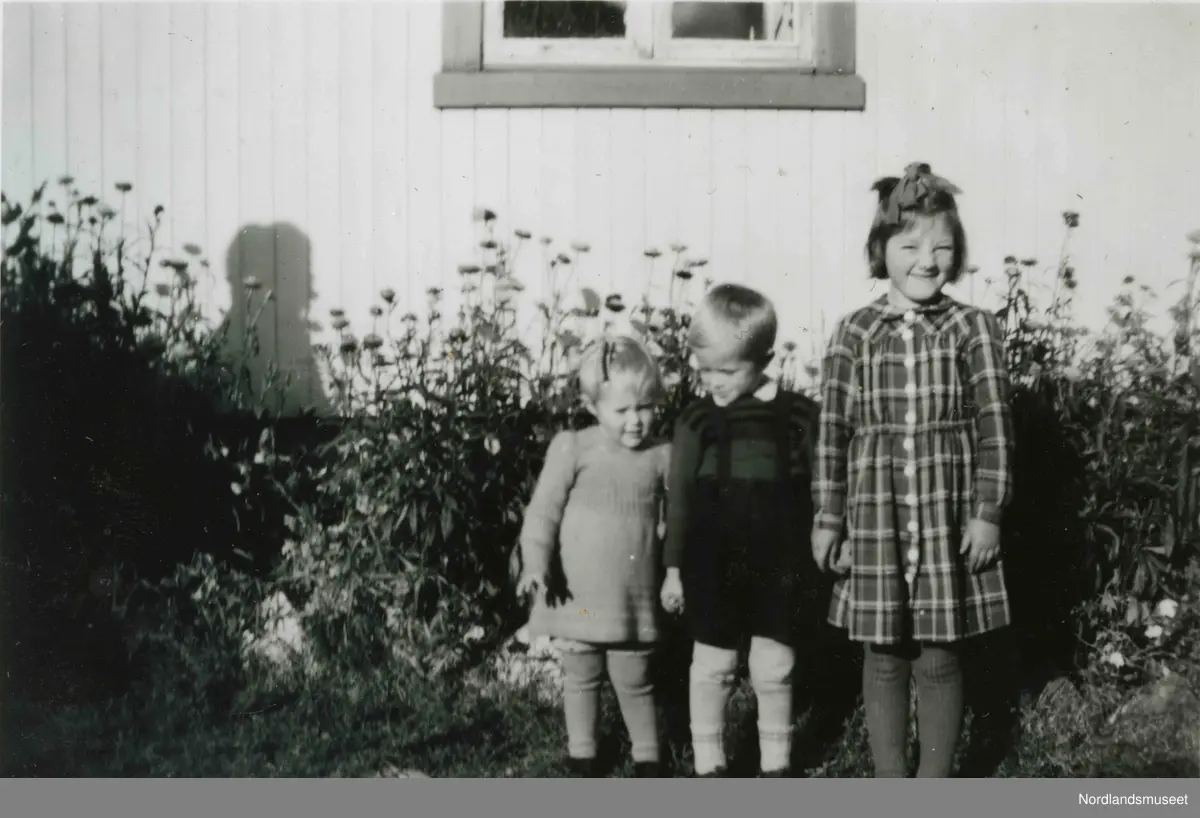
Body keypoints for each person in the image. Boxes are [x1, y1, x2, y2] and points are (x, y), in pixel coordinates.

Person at [811, 162, 1016, 778]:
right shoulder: (855, 331)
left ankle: (933, 781)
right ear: (881, 252)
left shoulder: (973, 328)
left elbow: (996, 426)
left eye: (942, 248)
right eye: (909, 246)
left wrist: (988, 513)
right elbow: (831, 434)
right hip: (874, 515)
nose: (926, 261)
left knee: (938, 653)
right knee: (883, 651)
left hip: (946, 512)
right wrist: (827, 518)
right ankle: (890, 779)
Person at [660, 284, 819, 778]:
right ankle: (710, 765)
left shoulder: (799, 416)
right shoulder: (696, 421)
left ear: (765, 358)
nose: (714, 382)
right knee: (713, 666)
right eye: (703, 369)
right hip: (711, 563)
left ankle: (777, 766)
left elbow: (822, 485)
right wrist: (671, 570)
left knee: (774, 668)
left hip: (780, 563)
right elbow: (680, 498)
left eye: (727, 371)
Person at [516, 335, 672, 778]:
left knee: (634, 676)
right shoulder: (573, 448)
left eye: (645, 406)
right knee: (580, 673)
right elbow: (543, 512)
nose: (636, 421)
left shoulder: (663, 456)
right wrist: (534, 563)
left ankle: (648, 755)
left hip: (631, 592)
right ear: (591, 404)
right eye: (621, 411)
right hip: (577, 590)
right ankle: (582, 753)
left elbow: (680, 518)